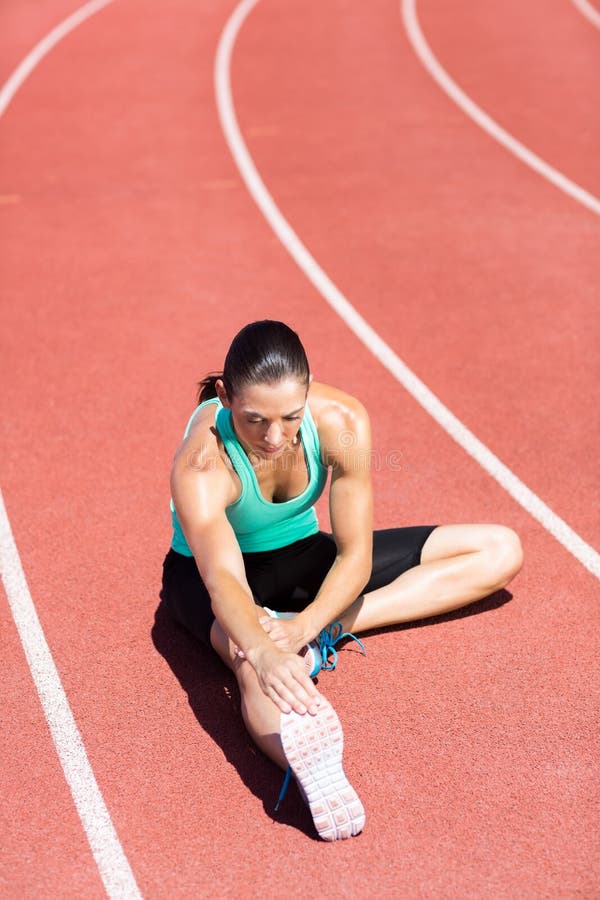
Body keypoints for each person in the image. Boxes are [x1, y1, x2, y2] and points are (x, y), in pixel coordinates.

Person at [162, 320, 523, 841]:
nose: (274, 437)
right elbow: (222, 581)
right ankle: (306, 764)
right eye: (253, 420)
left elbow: (355, 553)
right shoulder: (201, 463)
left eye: (290, 417)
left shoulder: (343, 420)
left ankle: (326, 633)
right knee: (252, 664)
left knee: (497, 548)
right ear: (224, 397)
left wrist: (308, 623)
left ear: (309, 392)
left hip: (305, 560)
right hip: (207, 578)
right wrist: (264, 651)